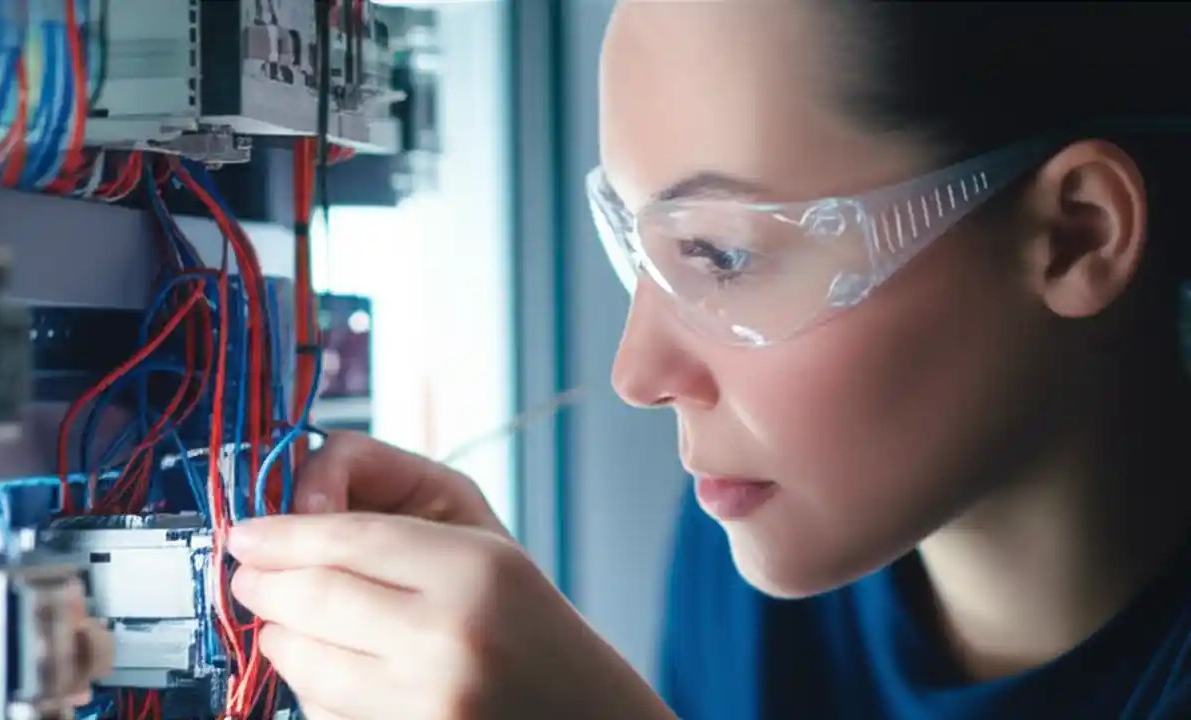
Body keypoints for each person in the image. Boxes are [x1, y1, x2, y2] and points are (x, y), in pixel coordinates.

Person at [225, 2, 1191, 718]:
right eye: (639, 250)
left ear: (1073, 235)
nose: (638, 376)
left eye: (723, 256)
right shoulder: (754, 551)